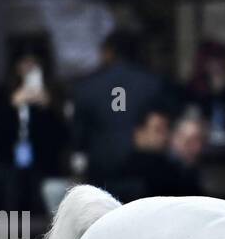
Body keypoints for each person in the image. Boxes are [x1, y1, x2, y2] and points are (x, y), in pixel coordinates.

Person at [69, 30, 169, 189]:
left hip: (101, 172)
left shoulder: (86, 87)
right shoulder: (153, 83)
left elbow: (78, 137)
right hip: (143, 171)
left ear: (109, 52)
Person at [0, 50, 69, 218]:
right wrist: (12, 106)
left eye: (34, 65)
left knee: (39, 187)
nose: (28, 69)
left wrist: (48, 107)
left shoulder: (54, 92)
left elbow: (63, 136)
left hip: (44, 162)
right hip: (9, 161)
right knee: (11, 187)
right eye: (24, 64)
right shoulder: (2, 93)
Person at [107, 106, 200, 203]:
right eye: (158, 130)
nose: (165, 136)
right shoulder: (117, 170)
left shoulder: (174, 172)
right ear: (139, 132)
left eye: (166, 129)